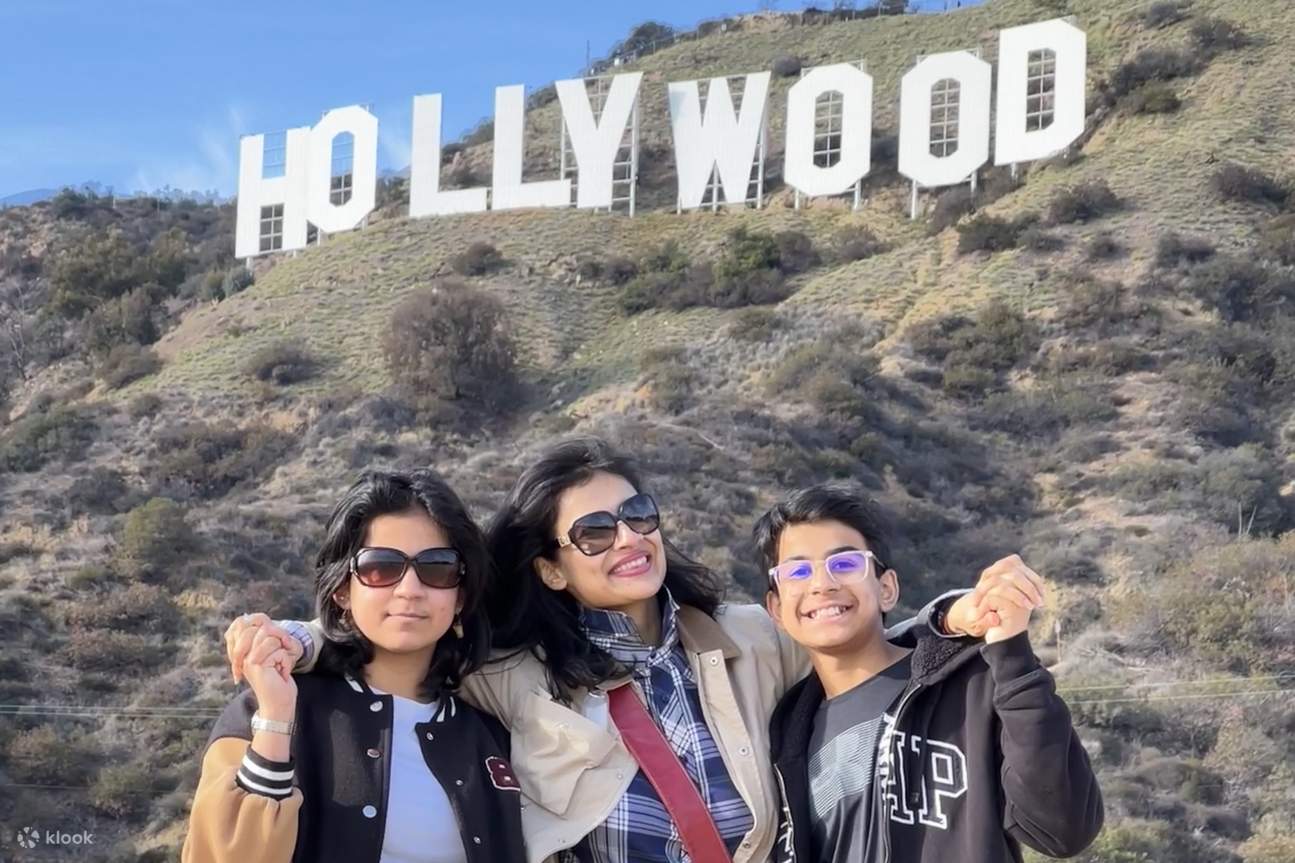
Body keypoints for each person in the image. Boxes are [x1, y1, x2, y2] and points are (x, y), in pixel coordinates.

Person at [224, 438, 1006, 863]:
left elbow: (854, 634)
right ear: (551, 567)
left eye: (637, 515)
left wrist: (956, 613)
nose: (628, 538)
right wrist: (298, 638)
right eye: (595, 531)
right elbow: (407, 629)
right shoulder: (511, 672)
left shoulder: (746, 636)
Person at [184, 470, 526, 863]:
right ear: (343, 590)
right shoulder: (261, 713)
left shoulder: (491, 735)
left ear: (460, 595)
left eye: (437, 568)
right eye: (380, 567)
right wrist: (277, 720)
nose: (410, 589)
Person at [758, 482, 1103, 862]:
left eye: (845, 564)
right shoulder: (786, 729)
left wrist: (1011, 652)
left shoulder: (970, 681)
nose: (822, 584)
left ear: (887, 588)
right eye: (797, 572)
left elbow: (1062, 830)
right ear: (775, 609)